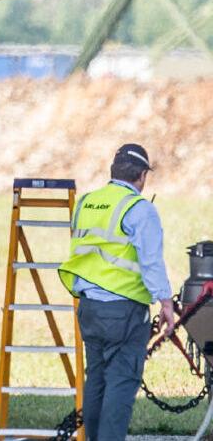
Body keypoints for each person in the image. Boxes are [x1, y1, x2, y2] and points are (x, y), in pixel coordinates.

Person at [59, 143, 176, 441]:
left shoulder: (86, 202)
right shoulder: (139, 209)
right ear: (141, 176)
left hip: (89, 310)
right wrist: (166, 303)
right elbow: (151, 262)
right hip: (123, 313)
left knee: (96, 380)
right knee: (121, 383)